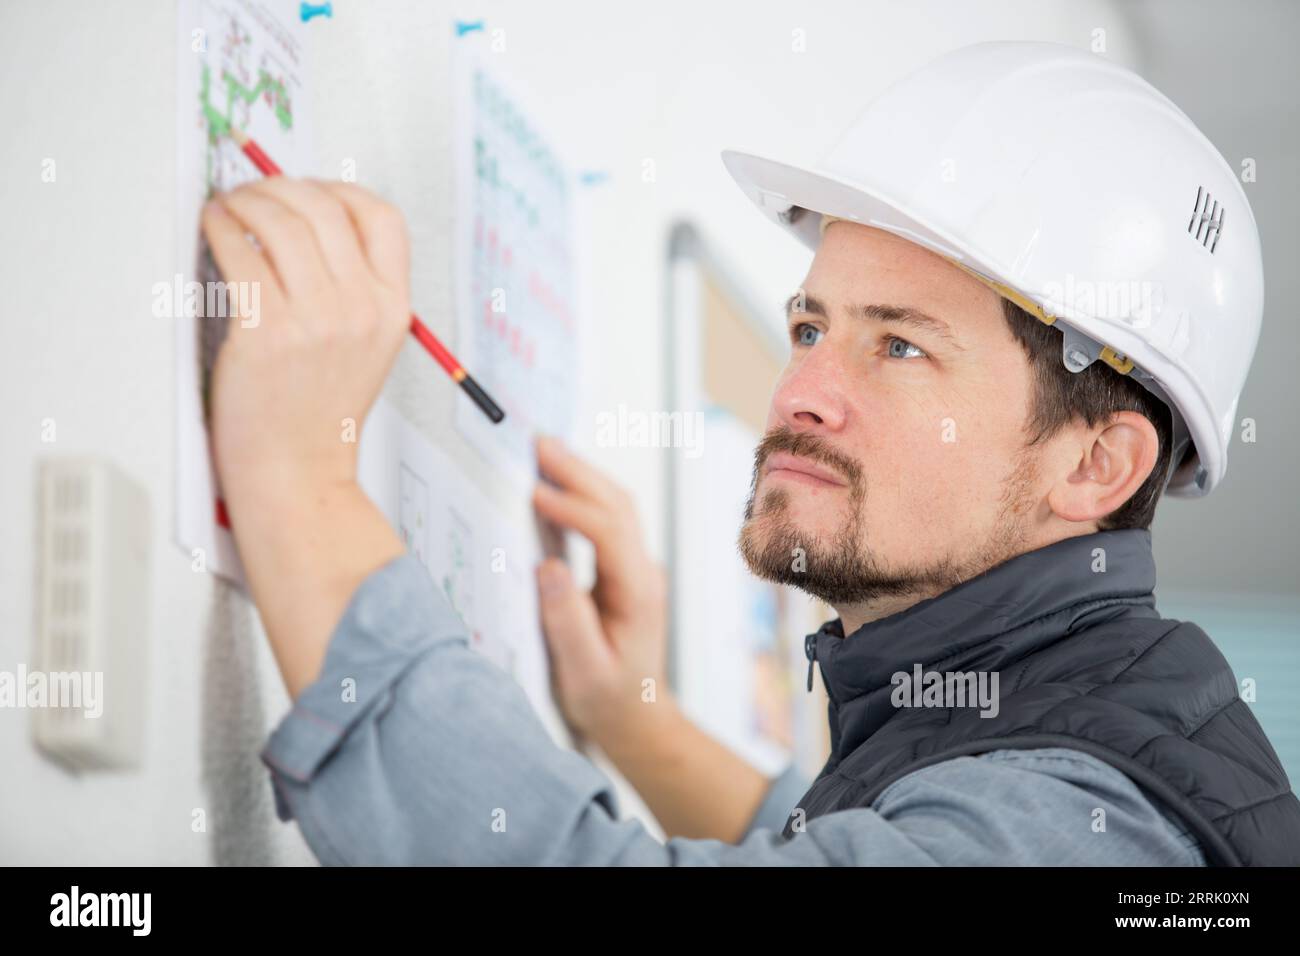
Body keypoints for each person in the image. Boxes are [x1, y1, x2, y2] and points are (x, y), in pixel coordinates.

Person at [202, 42, 1300, 865]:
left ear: (1094, 464)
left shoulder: (1092, 826)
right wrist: (632, 714)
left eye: (902, 345)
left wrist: (300, 483)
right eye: (811, 327)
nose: (803, 391)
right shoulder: (1046, 726)